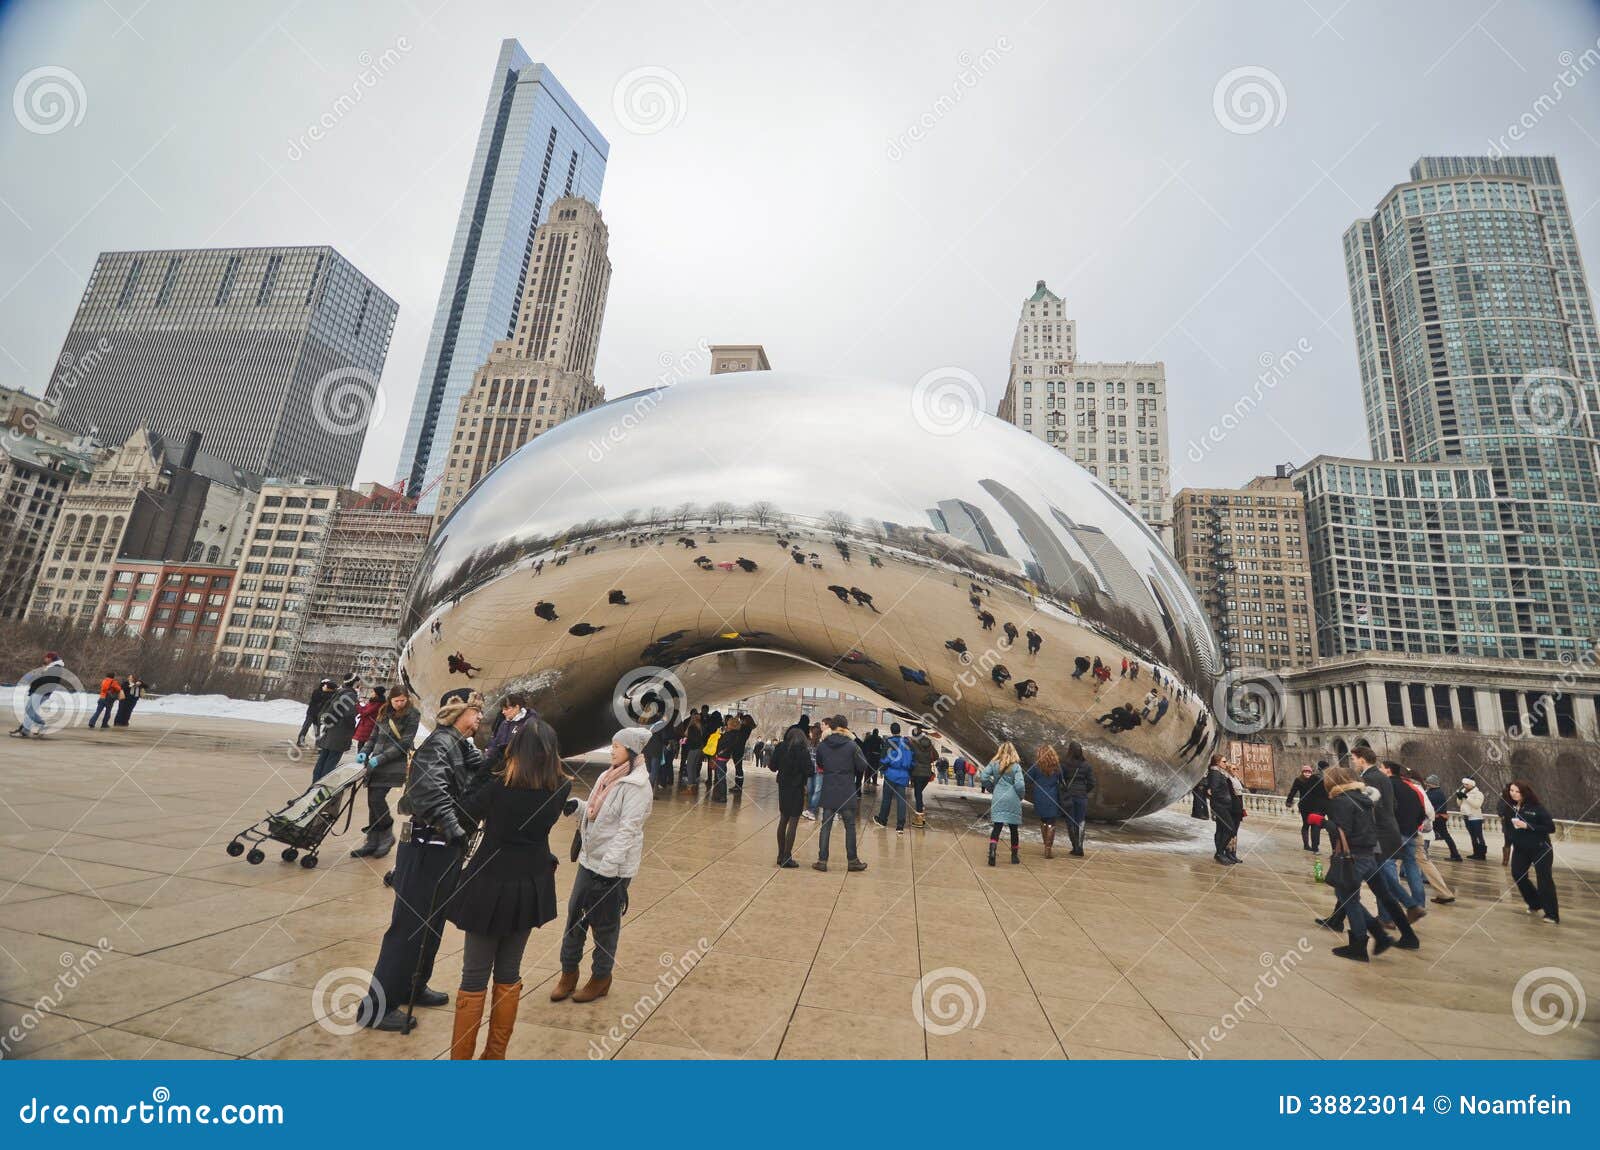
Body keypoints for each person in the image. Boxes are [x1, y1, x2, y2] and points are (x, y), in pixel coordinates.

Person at [362, 691, 487, 1032]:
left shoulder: (461, 744)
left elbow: (483, 773)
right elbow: (429, 793)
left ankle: (413, 985)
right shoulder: (440, 744)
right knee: (408, 926)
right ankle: (375, 1007)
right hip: (425, 847)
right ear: (458, 712)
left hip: (444, 849)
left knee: (431, 922)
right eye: (475, 711)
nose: (480, 718)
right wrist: (455, 828)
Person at [447, 718, 570, 1058]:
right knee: (509, 973)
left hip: (489, 883)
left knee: (474, 976)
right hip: (530, 884)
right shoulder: (561, 788)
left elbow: (462, 813)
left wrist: (488, 766)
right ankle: (494, 1057)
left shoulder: (498, 787)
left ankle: (461, 1061)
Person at [553, 727, 654, 1005]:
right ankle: (568, 973)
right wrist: (580, 807)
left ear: (632, 753)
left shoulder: (637, 787)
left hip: (614, 870)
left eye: (617, 746)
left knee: (605, 924)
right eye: (612, 745)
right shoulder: (607, 776)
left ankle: (600, 978)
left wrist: (608, 868)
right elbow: (600, 812)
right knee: (575, 916)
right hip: (590, 860)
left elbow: (627, 831)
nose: (612, 750)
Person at [1319, 765, 1419, 961]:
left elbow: (1343, 830)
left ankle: (1360, 945)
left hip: (1354, 856)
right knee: (1383, 895)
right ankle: (1395, 936)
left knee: (1349, 899)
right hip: (1370, 853)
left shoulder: (1341, 801)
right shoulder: (1364, 799)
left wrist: (1321, 822)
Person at [352, 685, 419, 858]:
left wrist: (379, 758)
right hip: (375, 763)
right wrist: (364, 751)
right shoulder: (383, 711)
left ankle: (387, 835)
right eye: (396, 701)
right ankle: (372, 841)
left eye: (403, 700)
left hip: (393, 764)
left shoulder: (412, 715)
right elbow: (373, 736)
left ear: (407, 699)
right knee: (372, 803)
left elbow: (404, 744)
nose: (399, 704)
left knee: (377, 799)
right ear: (390, 699)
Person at [812, 715, 868, 872]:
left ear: (831, 727)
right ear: (846, 728)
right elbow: (863, 765)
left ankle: (822, 861)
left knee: (826, 826)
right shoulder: (852, 746)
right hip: (847, 790)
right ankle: (852, 861)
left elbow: (820, 763)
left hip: (829, 789)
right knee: (850, 827)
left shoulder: (823, 746)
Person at [1397, 767, 1455, 904]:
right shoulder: (1419, 788)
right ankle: (1444, 892)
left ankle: (1393, 897)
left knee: (1393, 863)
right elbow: (1429, 812)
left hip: (1404, 832)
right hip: (1415, 831)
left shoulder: (1407, 788)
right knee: (1424, 861)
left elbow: (1429, 812)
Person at [1504, 780, 1559, 923]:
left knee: (1544, 880)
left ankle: (1552, 914)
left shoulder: (1537, 807)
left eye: (1517, 791)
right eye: (1512, 791)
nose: (1514, 794)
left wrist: (1527, 825)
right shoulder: (1510, 807)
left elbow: (1550, 828)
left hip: (1540, 848)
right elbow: (1508, 826)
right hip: (1520, 848)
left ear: (1524, 792)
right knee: (1518, 874)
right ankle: (1535, 903)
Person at [978, 742, 1026, 865]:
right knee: (1013, 829)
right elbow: (1020, 785)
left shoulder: (994, 763)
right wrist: (1020, 797)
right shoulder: (1016, 766)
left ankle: (992, 852)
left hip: (998, 796)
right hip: (1013, 798)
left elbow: (983, 777)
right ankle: (1014, 856)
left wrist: (992, 788)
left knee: (997, 827)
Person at [9, 652, 73, 738]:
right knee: (29, 710)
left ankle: (25, 731)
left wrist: (35, 678)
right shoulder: (50, 667)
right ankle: (41, 725)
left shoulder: (55, 668)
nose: (44, 659)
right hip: (38, 691)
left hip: (42, 692)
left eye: (46, 658)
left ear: (50, 658)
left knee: (30, 711)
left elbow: (47, 681)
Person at [774, 725, 812, 867]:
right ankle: (787, 856)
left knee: (783, 819)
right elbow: (809, 770)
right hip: (796, 788)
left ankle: (780, 854)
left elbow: (772, 766)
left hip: (783, 786)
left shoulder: (780, 747)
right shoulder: (803, 751)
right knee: (793, 821)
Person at [312, 674, 361, 782]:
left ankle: (315, 784)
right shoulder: (351, 695)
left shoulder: (339, 692)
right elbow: (349, 715)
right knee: (331, 763)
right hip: (340, 733)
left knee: (322, 760)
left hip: (329, 731)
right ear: (354, 683)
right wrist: (352, 726)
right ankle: (323, 787)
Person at [874, 722, 912, 833]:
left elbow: (883, 758)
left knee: (886, 799)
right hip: (903, 775)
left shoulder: (889, 742)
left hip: (891, 774)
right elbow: (911, 759)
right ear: (899, 730)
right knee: (901, 800)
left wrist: (883, 770)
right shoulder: (906, 743)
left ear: (891, 730)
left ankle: (882, 820)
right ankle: (900, 826)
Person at [1059, 741, 1095, 857]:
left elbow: (1061, 780)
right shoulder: (1087, 766)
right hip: (1081, 797)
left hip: (1069, 796)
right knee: (1080, 822)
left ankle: (1075, 847)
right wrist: (1084, 791)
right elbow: (1091, 783)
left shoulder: (1064, 764)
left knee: (1070, 821)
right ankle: (1080, 847)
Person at [1026, 744, 1063, 858]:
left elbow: (1026, 779)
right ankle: (1048, 848)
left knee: (1043, 821)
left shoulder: (1036, 766)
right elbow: (1062, 781)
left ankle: (1045, 845)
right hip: (1053, 796)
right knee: (1052, 822)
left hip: (1039, 796)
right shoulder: (1057, 767)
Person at [483, 693, 533, 773]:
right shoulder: (504, 724)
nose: (503, 712)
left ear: (517, 707)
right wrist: (489, 753)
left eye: (506, 709)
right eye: (502, 709)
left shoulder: (530, 723)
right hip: (503, 766)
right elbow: (495, 741)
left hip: (521, 768)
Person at [1204, 754, 1239, 865]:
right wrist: (1223, 799)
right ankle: (1219, 852)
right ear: (1217, 762)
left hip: (1224, 805)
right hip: (1220, 805)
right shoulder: (1215, 773)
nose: (1226, 763)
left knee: (1222, 829)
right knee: (1230, 829)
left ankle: (1220, 853)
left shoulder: (1220, 773)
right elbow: (1214, 790)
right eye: (1224, 761)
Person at [1285, 764, 1328, 852]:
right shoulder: (1298, 780)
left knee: (1314, 825)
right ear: (1302, 772)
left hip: (1314, 806)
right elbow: (1293, 791)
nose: (1307, 773)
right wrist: (1289, 801)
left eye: (1309, 772)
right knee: (1306, 824)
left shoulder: (1315, 780)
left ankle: (1314, 846)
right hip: (1304, 805)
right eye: (1305, 772)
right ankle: (1306, 845)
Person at [1425, 774, 1462, 862]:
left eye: (1428, 783)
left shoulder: (1435, 793)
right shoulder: (1436, 792)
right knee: (1442, 835)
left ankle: (1455, 855)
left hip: (1438, 818)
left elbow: (1431, 805)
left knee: (1428, 835)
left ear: (1432, 784)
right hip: (1438, 817)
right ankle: (1455, 854)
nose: (1427, 784)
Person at [908, 725, 936, 828]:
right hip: (927, 774)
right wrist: (927, 760)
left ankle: (919, 819)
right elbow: (936, 756)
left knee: (918, 795)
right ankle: (921, 814)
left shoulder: (913, 744)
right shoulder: (929, 744)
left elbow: (910, 756)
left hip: (917, 773)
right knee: (918, 793)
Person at [297, 678, 337, 747]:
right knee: (306, 727)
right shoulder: (317, 692)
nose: (326, 686)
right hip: (311, 713)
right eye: (326, 685)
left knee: (317, 729)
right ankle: (300, 741)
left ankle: (318, 743)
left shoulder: (330, 694)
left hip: (319, 714)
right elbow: (316, 699)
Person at [1456, 778, 1487, 860]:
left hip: (1476, 817)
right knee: (1472, 836)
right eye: (1464, 784)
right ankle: (1475, 853)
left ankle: (1482, 854)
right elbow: (1459, 804)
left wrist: (1466, 797)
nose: (1465, 786)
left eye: (1467, 784)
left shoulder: (1478, 793)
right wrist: (1459, 798)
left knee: (1478, 836)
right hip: (1466, 816)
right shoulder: (1463, 791)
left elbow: (1477, 805)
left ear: (1472, 784)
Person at [352, 686, 386, 752]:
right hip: (366, 724)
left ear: (377, 693)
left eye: (373, 692)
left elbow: (365, 712)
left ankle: (363, 758)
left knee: (364, 744)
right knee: (362, 743)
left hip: (369, 725)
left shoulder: (377, 703)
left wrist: (357, 705)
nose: (371, 693)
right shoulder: (374, 701)